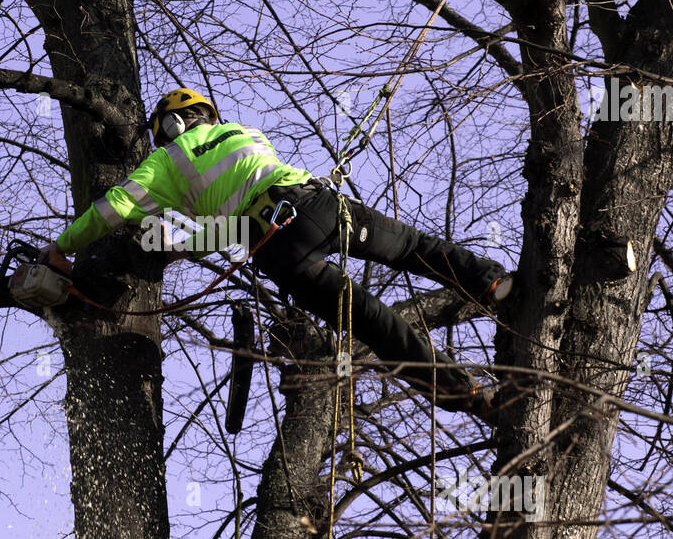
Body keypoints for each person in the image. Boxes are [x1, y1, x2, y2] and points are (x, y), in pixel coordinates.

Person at [39, 88, 514, 420]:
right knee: (413, 248)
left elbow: (114, 208)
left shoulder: (165, 160)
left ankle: (468, 396)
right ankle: (492, 283)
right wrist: (178, 246)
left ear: (171, 127)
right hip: (312, 207)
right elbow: (236, 208)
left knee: (373, 323)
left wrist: (62, 249)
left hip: (278, 251)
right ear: (209, 116)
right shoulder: (247, 132)